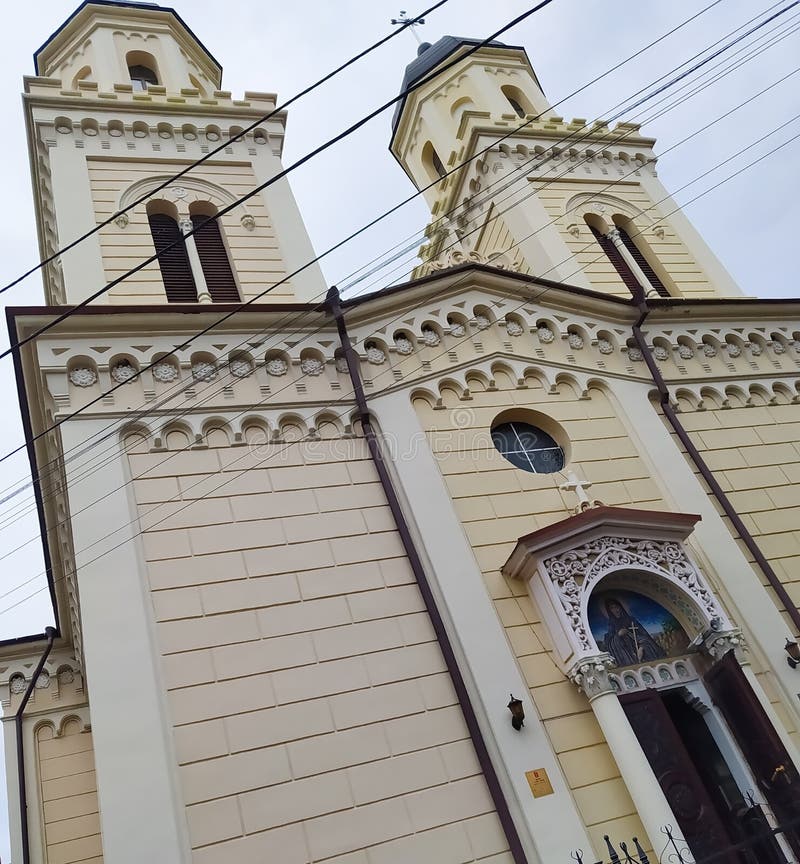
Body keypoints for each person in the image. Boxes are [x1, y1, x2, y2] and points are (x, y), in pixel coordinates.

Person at [600, 597, 666, 666]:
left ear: (620, 607)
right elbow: (610, 644)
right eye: (612, 608)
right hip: (628, 656)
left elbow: (645, 636)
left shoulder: (631, 620)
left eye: (616, 607)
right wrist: (618, 635)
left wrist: (642, 647)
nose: (615, 610)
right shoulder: (611, 625)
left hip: (641, 650)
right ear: (609, 611)